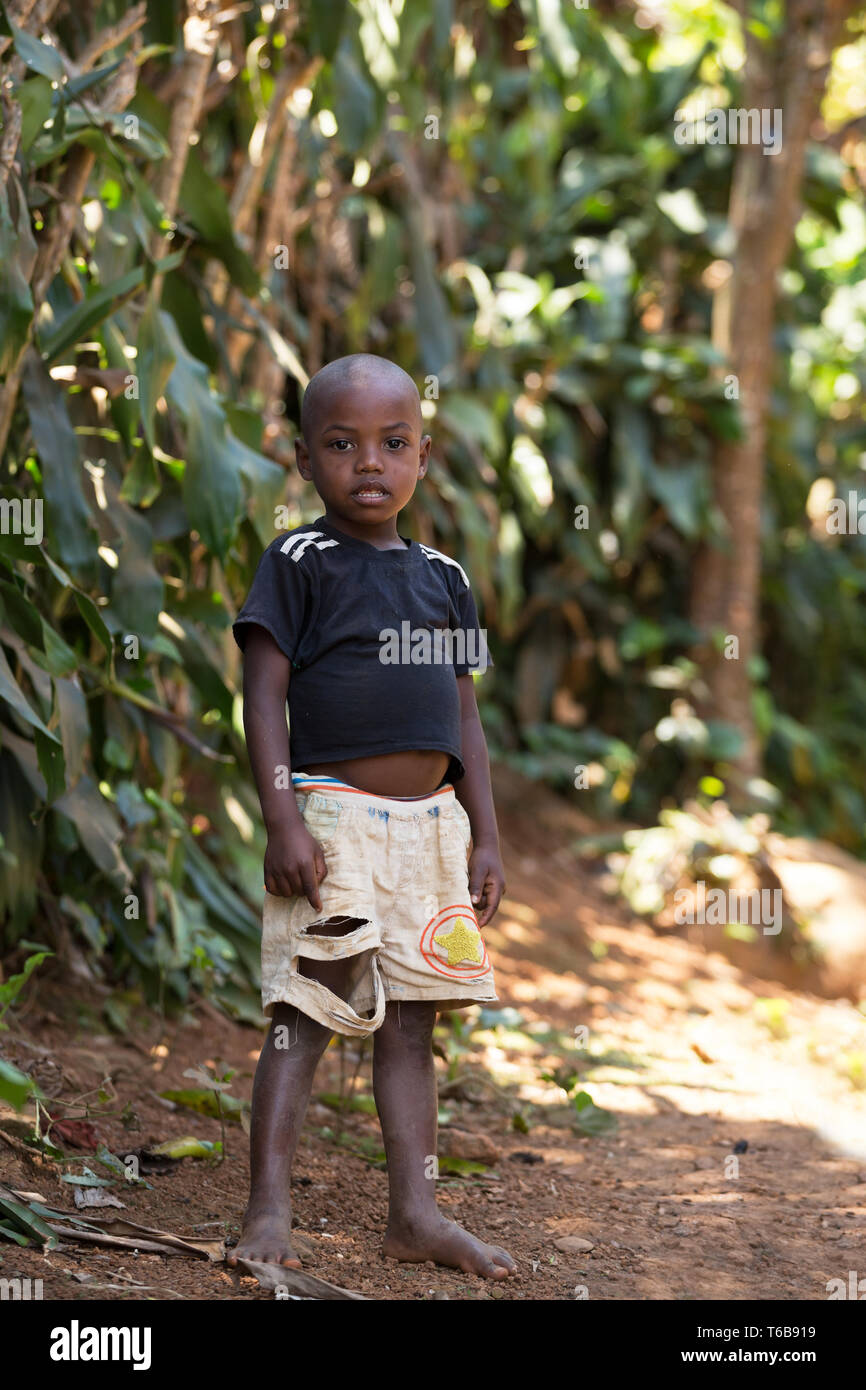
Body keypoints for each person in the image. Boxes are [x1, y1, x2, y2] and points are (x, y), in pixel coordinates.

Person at [227, 353, 514, 1280]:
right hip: (334, 820)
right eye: (342, 445)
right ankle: (267, 1207)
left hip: (431, 830)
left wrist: (486, 831)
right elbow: (262, 697)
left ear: (423, 456)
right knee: (301, 1015)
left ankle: (415, 1213)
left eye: (393, 444)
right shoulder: (297, 561)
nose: (370, 464)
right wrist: (282, 818)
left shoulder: (445, 575)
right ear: (305, 459)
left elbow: (463, 713)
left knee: (412, 1025)